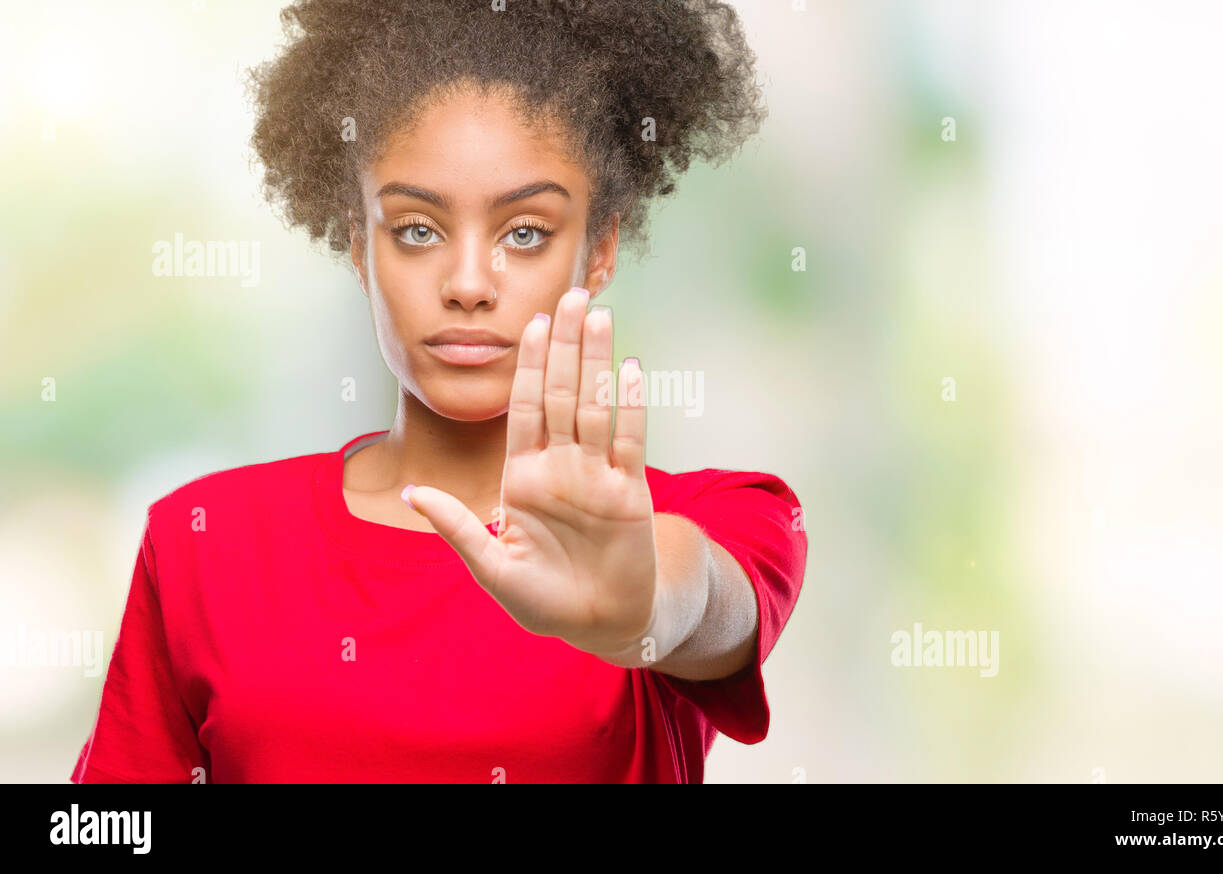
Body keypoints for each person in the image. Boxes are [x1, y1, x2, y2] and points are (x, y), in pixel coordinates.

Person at [72, 0, 807, 784]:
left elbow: (707, 604)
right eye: (416, 229)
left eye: (524, 231)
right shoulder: (204, 539)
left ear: (599, 252)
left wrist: (651, 608)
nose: (465, 284)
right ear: (360, 247)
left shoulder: (723, 516)